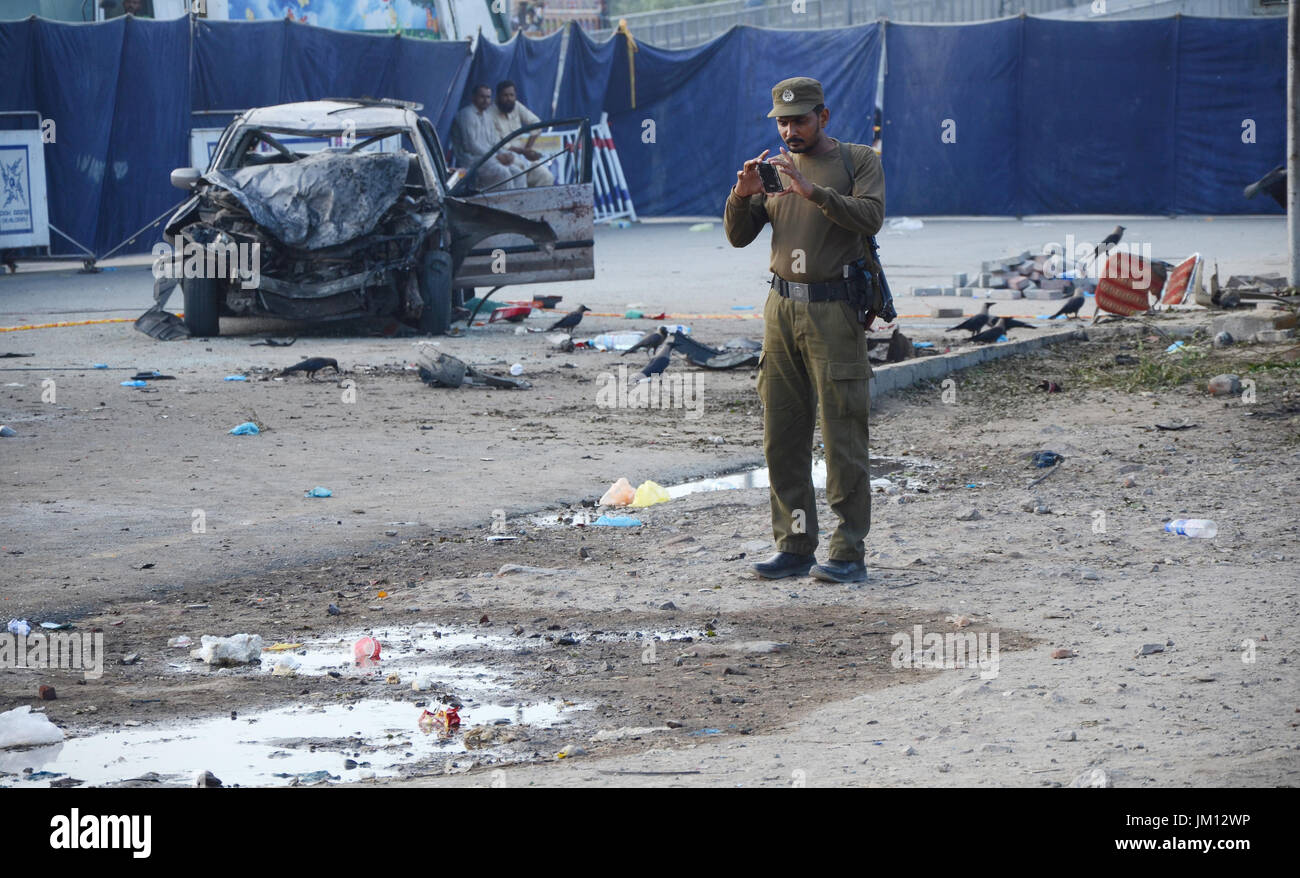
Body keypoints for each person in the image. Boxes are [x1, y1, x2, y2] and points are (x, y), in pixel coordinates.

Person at [724, 76, 885, 584]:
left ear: (824, 117)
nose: (791, 130)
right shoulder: (772, 171)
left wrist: (813, 191)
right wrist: (742, 194)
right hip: (781, 309)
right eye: (783, 122)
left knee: (843, 434)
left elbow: (871, 218)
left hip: (834, 310)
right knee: (783, 436)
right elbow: (738, 237)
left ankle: (847, 551)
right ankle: (794, 544)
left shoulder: (858, 161)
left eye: (800, 120)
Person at [449, 84, 517, 191]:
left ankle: (520, 204)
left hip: (489, 159)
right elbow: (471, 146)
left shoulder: (487, 116)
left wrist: (504, 154)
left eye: (488, 97)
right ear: (473, 97)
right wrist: (496, 157)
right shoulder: (466, 114)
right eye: (482, 97)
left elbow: (494, 142)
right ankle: (506, 204)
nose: (485, 100)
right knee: (503, 172)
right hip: (472, 161)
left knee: (517, 172)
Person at [489, 80, 554, 188]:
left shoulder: (516, 106)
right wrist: (524, 151)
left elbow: (536, 123)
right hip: (504, 157)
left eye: (511, 95)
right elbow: (498, 144)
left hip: (523, 156)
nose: (509, 98)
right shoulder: (490, 113)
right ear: (498, 96)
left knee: (546, 177)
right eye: (505, 95)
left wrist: (528, 147)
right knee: (519, 176)